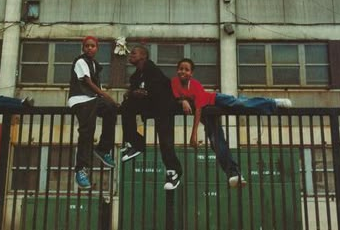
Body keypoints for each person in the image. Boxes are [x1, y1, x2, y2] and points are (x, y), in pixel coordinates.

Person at [171, 58, 293, 188]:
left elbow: (198, 109)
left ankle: (273, 102)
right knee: (216, 143)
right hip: (208, 116)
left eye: (186, 69)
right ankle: (234, 174)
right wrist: (182, 101)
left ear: (191, 74)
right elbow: (176, 97)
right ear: (177, 70)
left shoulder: (195, 85)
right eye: (180, 68)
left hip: (215, 101)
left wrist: (193, 134)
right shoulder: (174, 82)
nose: (182, 71)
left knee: (239, 104)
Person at [120, 45, 182, 191]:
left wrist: (144, 92)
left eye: (134, 53)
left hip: (164, 108)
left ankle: (174, 172)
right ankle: (136, 143)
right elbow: (134, 91)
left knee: (165, 142)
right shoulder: (135, 76)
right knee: (126, 107)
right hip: (151, 106)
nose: (130, 55)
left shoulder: (152, 69)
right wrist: (132, 93)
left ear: (143, 56)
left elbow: (158, 90)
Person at [68, 36, 118, 190]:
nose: (90, 48)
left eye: (93, 46)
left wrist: (107, 100)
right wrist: (106, 95)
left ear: (97, 48)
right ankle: (81, 170)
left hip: (93, 100)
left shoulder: (95, 65)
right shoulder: (80, 61)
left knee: (111, 109)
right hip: (81, 99)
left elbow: (95, 86)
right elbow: (87, 82)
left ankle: (103, 148)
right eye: (87, 46)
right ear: (83, 48)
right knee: (87, 131)